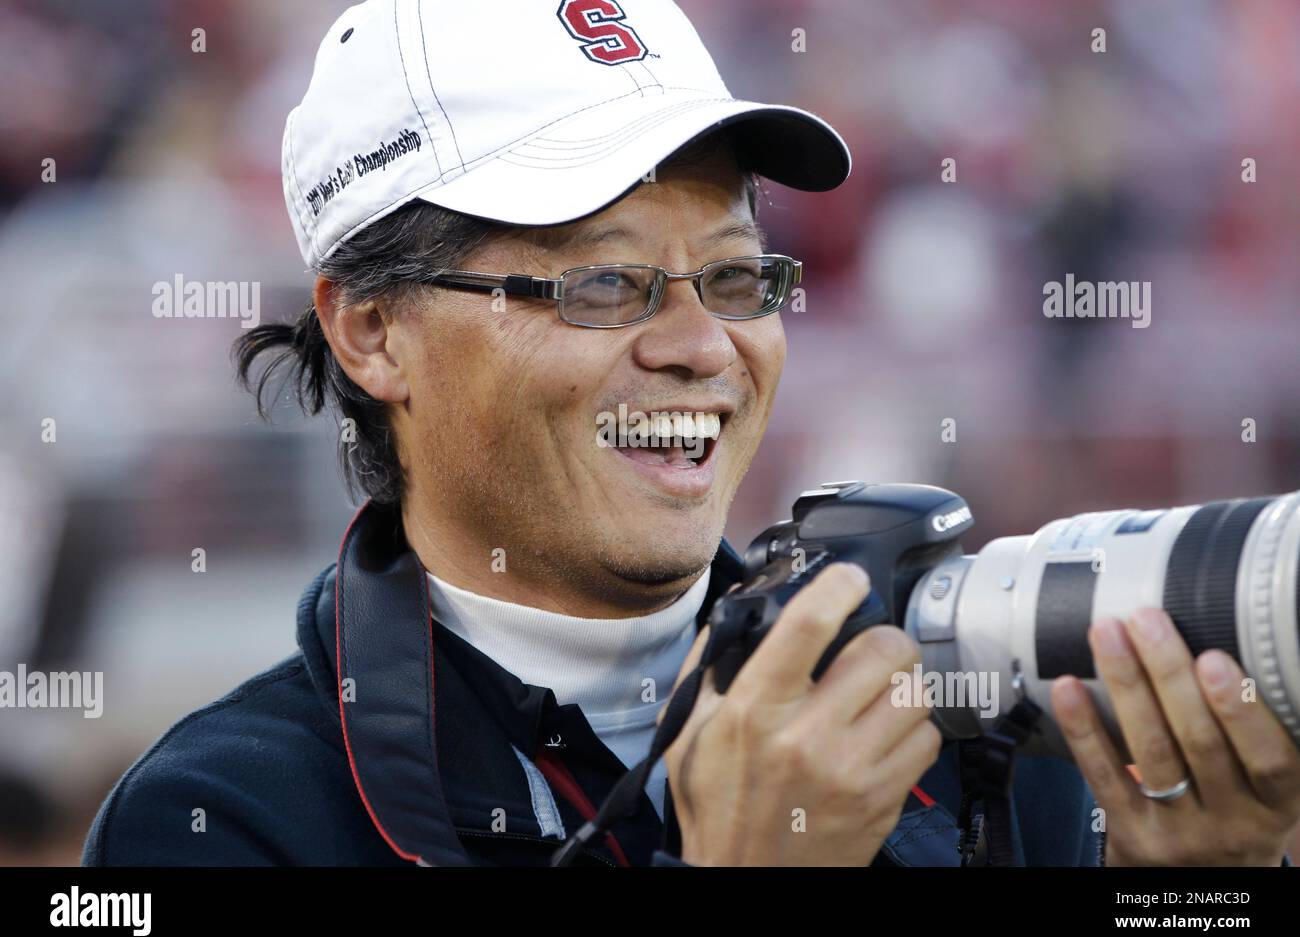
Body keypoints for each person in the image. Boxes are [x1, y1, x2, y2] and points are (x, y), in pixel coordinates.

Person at [84, 0, 1299, 867]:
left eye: (734, 279)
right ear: (371, 331)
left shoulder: (968, 708)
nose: (703, 345)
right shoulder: (219, 815)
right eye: (601, 285)